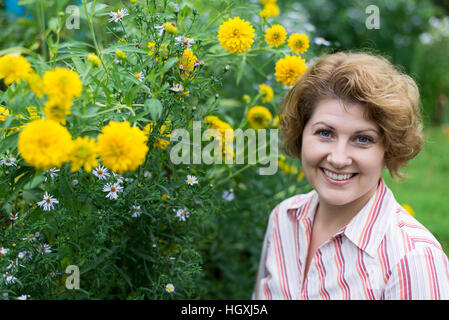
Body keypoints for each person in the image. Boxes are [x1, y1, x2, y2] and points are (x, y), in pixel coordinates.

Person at [252, 51, 449, 300]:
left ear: (388, 150)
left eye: (363, 139)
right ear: (301, 133)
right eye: (325, 133)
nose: (338, 158)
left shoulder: (413, 257)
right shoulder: (284, 219)